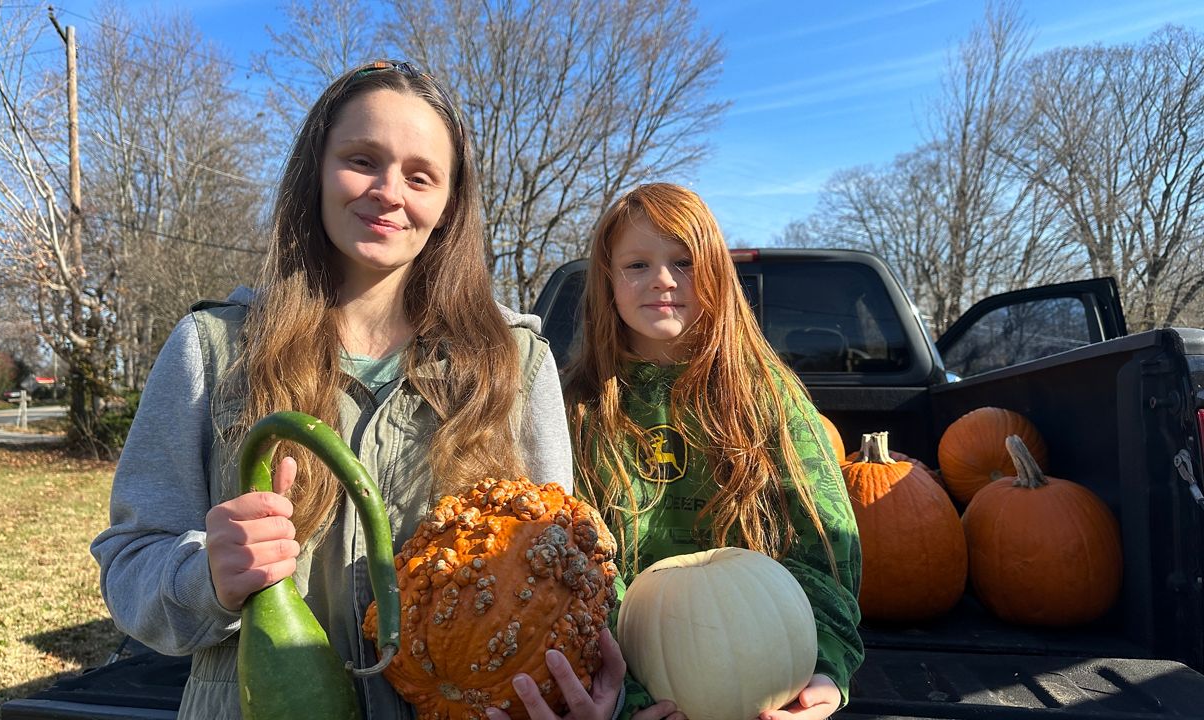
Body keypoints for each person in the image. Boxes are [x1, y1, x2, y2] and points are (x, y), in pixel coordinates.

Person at [91, 60, 624, 720]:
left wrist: (587, 693)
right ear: (316, 171)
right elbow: (130, 566)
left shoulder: (515, 364)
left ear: (450, 202)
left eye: (420, 175)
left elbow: (563, 579)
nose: (388, 191)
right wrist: (208, 579)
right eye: (362, 160)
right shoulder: (214, 348)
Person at [563, 183, 864, 720]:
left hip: (767, 685)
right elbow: (569, 570)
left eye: (683, 261)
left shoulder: (769, 394)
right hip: (631, 690)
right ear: (607, 282)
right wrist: (621, 698)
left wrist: (824, 670)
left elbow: (825, 550)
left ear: (716, 274)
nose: (661, 279)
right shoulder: (576, 407)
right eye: (636, 265)